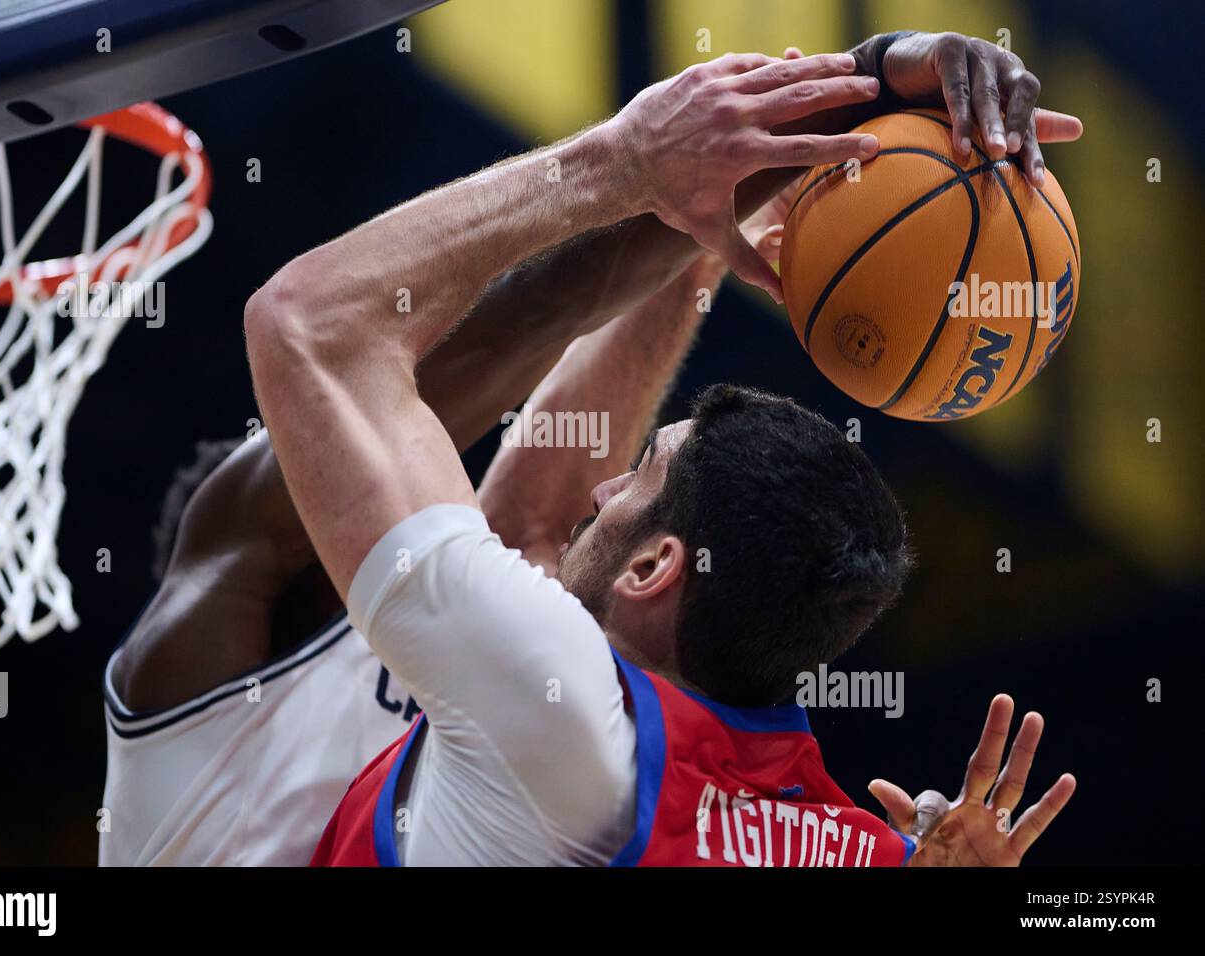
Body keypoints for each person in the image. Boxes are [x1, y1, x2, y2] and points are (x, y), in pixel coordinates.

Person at [105, 31, 1080, 866]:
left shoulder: (503, 666)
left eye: (641, 475)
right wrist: (771, 156)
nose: (604, 482)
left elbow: (325, 329)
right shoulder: (750, 793)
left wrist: (627, 162)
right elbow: (534, 514)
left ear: (659, 563)